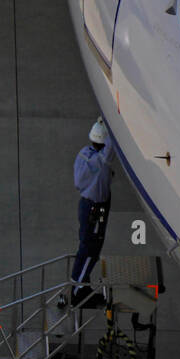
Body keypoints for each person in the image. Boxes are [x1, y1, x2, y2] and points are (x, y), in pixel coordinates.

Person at [67, 117, 116, 306]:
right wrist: (111, 122)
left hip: (86, 206)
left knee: (86, 244)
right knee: (92, 248)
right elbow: (111, 144)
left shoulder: (83, 154)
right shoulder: (102, 160)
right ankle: (78, 291)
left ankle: (81, 284)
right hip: (97, 210)